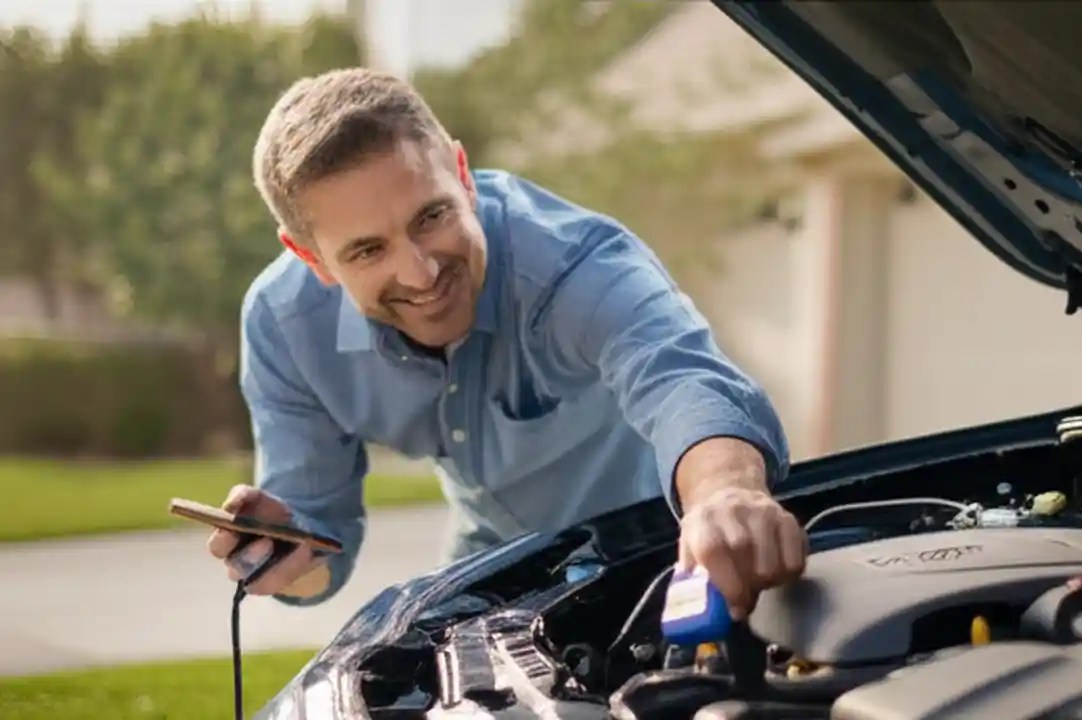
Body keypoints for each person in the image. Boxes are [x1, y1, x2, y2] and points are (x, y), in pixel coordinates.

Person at [205, 67, 807, 621]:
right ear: (311, 258)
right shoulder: (285, 327)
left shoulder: (573, 264)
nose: (420, 274)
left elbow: (682, 378)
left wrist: (722, 494)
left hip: (664, 542)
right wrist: (279, 558)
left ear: (463, 177)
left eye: (431, 217)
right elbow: (317, 555)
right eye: (368, 250)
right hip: (492, 559)